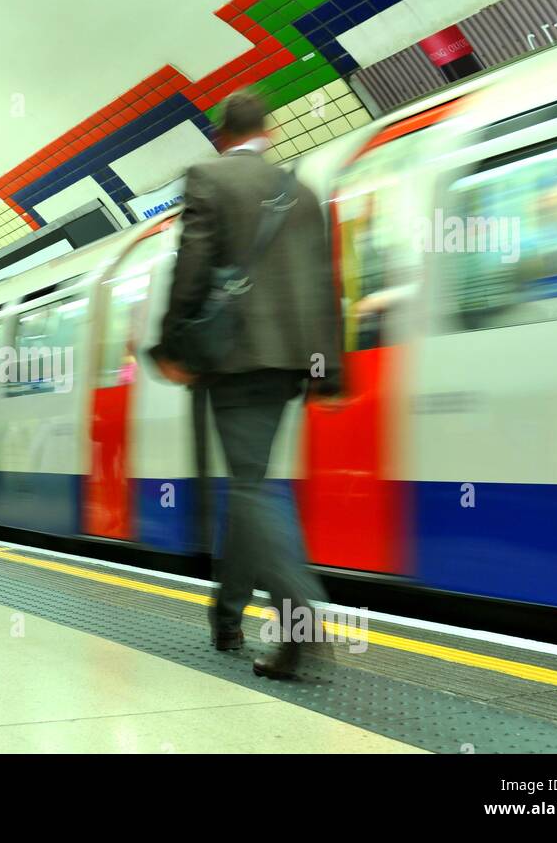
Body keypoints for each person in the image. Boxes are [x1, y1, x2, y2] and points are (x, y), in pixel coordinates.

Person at [149, 91, 343, 679]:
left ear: (220, 135)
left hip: (232, 360)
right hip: (289, 365)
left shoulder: (207, 179)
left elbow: (192, 271)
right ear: (271, 128)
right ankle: (228, 612)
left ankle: (303, 628)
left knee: (252, 490)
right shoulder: (304, 192)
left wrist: (172, 346)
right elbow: (324, 285)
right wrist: (326, 371)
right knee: (250, 483)